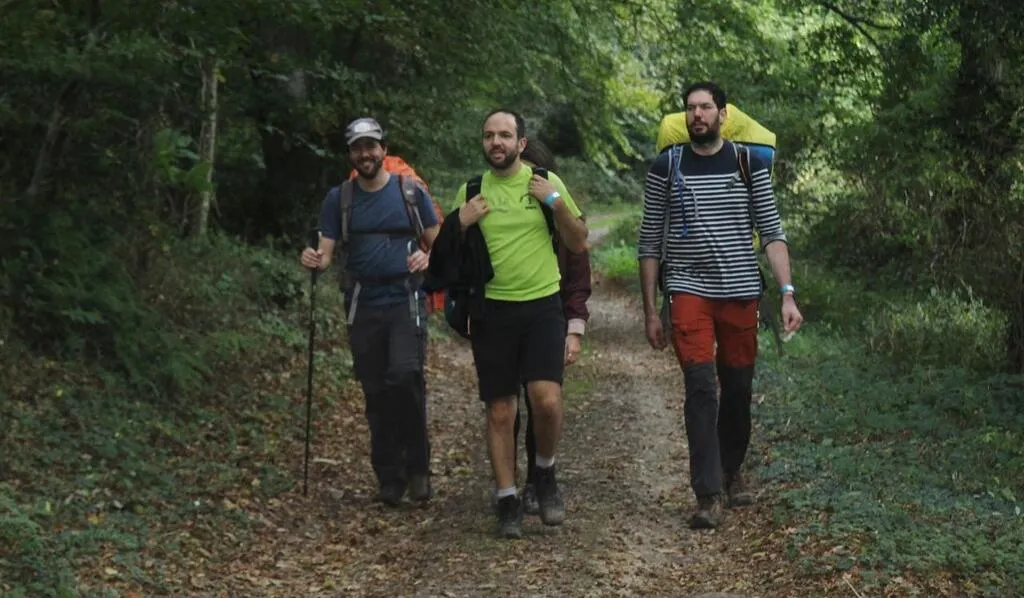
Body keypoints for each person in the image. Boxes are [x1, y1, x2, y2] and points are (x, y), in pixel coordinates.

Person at [637, 82, 804, 529]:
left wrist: (787, 293)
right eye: (691, 108)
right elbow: (650, 241)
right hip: (687, 290)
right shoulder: (666, 166)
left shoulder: (748, 163)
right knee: (700, 388)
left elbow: (772, 233)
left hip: (741, 292)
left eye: (706, 107)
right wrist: (651, 310)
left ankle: (732, 469)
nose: (698, 115)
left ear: (723, 114)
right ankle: (707, 494)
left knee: (737, 387)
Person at [446, 109, 588, 538]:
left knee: (547, 401)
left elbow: (578, 242)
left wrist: (555, 202)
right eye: (489, 135)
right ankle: (507, 498)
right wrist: (459, 223)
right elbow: (446, 256)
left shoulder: (545, 182)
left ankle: (544, 472)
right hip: (491, 311)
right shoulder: (471, 190)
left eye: (505, 135)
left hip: (543, 306)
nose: (496, 142)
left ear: (520, 143)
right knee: (501, 409)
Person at [300, 117, 440, 506]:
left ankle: (418, 469)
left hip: (405, 299)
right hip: (363, 302)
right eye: (357, 148)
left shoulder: (410, 192)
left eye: (370, 146)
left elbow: (438, 243)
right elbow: (325, 254)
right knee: (375, 390)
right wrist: (313, 258)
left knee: (406, 377)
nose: (365, 154)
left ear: (383, 149)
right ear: (350, 154)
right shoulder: (339, 199)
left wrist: (427, 258)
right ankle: (389, 477)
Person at [513, 139, 592, 516]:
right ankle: (507, 487)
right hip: (503, 314)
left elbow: (578, 273)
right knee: (506, 405)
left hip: (548, 315)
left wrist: (574, 329)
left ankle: (539, 478)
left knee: (541, 401)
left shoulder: (563, 215)